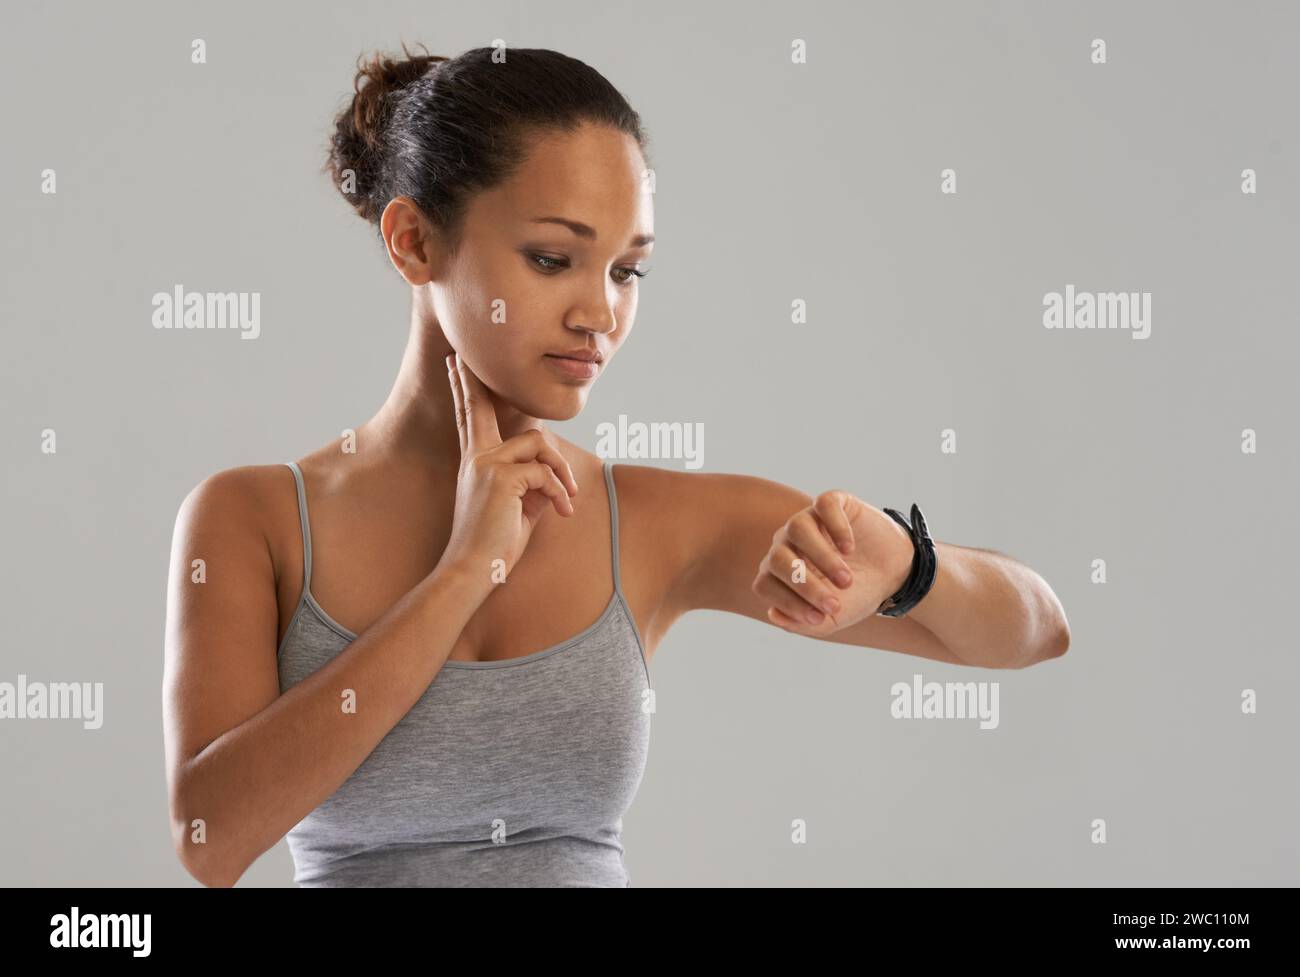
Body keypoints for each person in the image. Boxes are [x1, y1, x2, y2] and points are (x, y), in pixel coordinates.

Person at [162, 43, 1070, 888]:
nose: (599, 312)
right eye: (553, 258)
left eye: (627, 271)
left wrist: (912, 567)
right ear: (415, 242)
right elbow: (210, 838)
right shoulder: (256, 518)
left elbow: (1039, 629)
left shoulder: (651, 520)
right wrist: (464, 572)